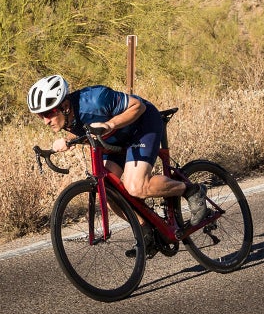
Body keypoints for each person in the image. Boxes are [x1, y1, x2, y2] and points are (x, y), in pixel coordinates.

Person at [27, 74, 207, 254]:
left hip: (142, 125)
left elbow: (138, 106)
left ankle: (191, 190)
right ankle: (146, 231)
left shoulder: (96, 99)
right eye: (40, 116)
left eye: (48, 114)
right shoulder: (65, 117)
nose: (45, 121)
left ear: (65, 106)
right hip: (114, 138)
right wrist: (68, 140)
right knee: (107, 190)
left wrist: (110, 124)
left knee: (136, 187)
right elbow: (84, 126)